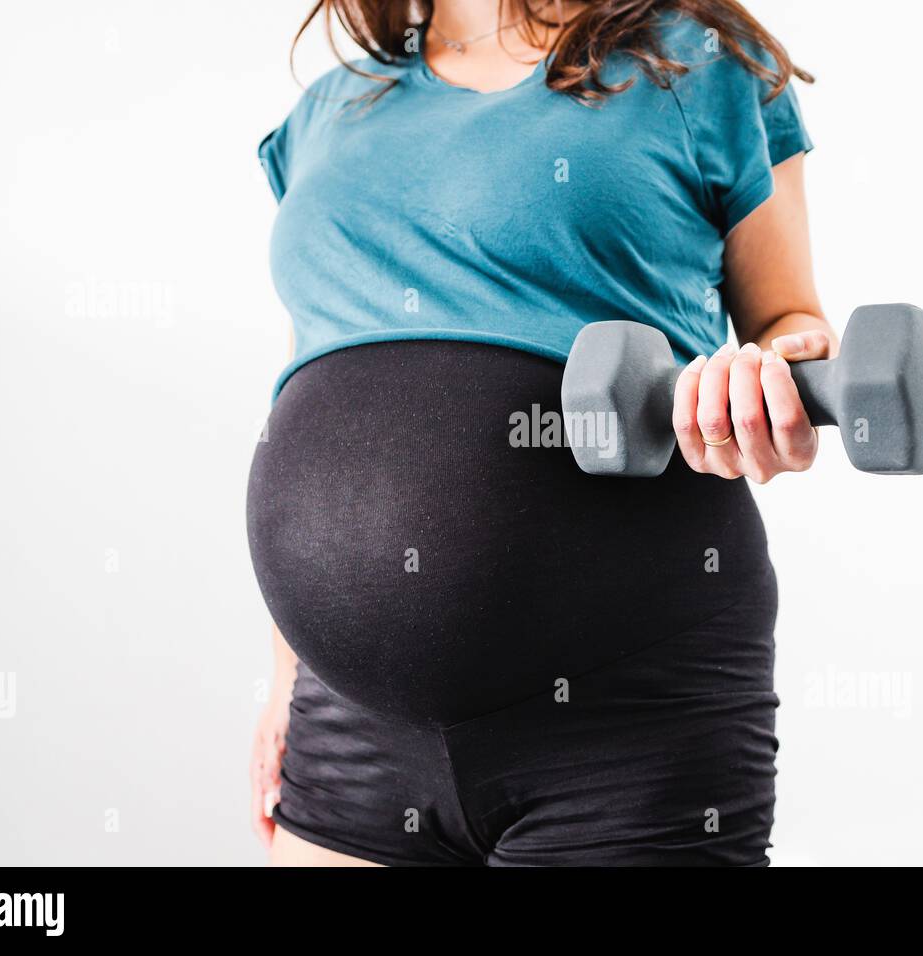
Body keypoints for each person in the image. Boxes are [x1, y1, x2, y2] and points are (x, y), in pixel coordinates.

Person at [247, 0, 836, 866]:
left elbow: (790, 317)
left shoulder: (698, 65)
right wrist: (285, 679)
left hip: (625, 707)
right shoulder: (333, 109)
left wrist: (770, 377)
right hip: (350, 720)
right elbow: (312, 369)